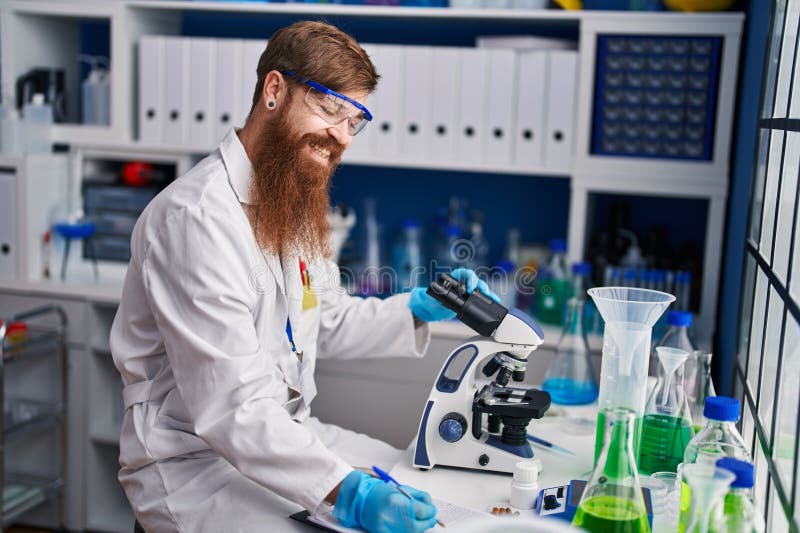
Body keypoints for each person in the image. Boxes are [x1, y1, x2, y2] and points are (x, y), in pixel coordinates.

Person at [110, 21, 499, 533]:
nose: (341, 135)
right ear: (274, 90)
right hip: (195, 469)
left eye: (354, 120)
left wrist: (415, 307)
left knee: (422, 481)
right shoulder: (195, 219)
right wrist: (348, 492)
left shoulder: (286, 199)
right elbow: (232, 406)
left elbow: (323, 318)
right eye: (331, 108)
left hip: (283, 437)